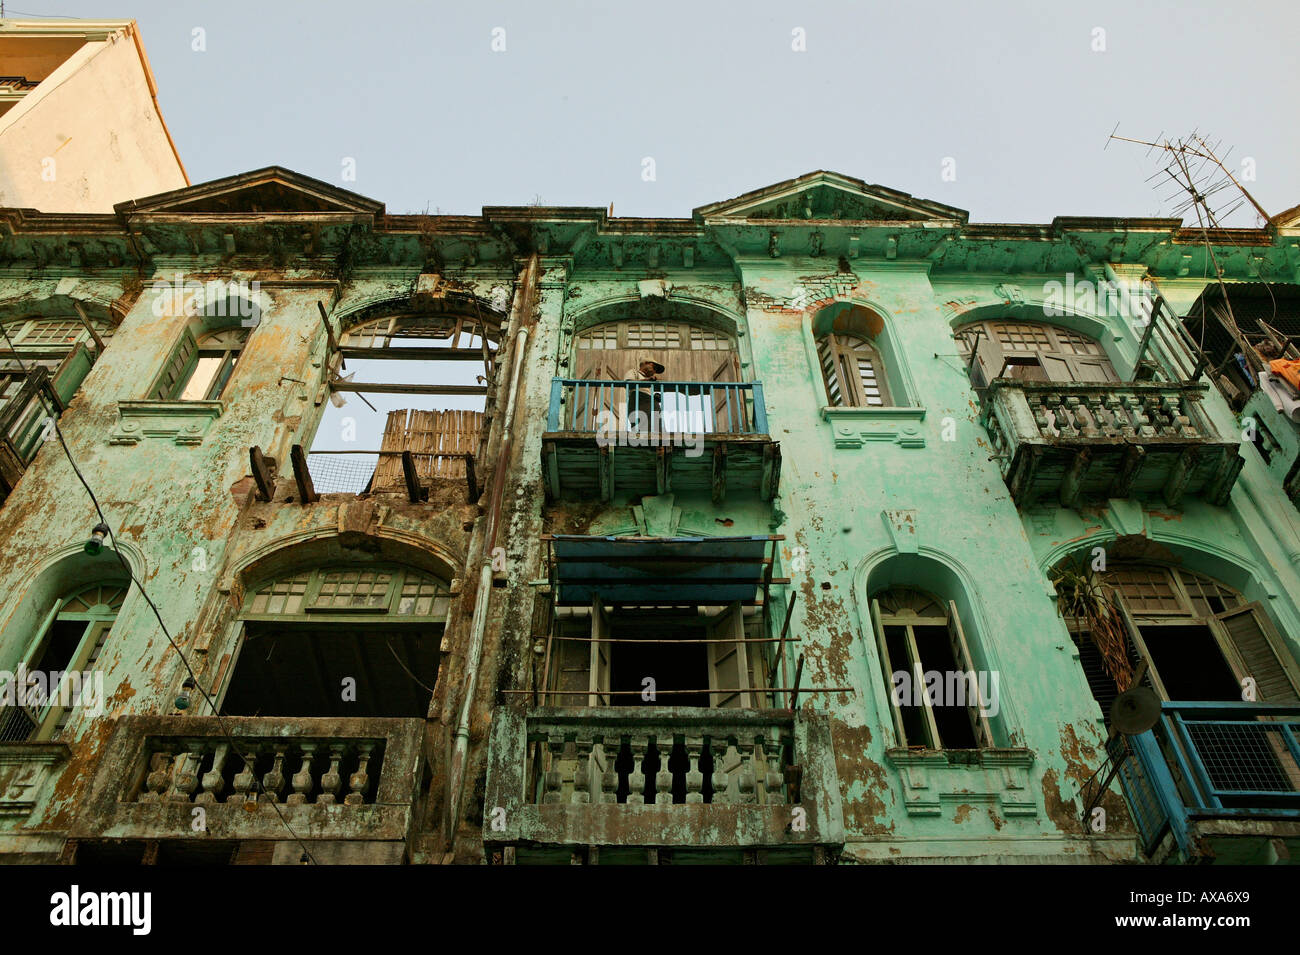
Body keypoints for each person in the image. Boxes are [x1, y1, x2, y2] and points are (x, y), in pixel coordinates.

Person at [623, 355, 665, 432]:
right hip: (638, 400)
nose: (654, 370)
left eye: (655, 369)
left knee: (655, 423)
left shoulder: (649, 381)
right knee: (639, 425)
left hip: (648, 402)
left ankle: (657, 438)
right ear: (645, 363)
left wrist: (654, 397)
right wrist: (646, 380)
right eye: (654, 367)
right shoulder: (634, 372)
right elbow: (628, 383)